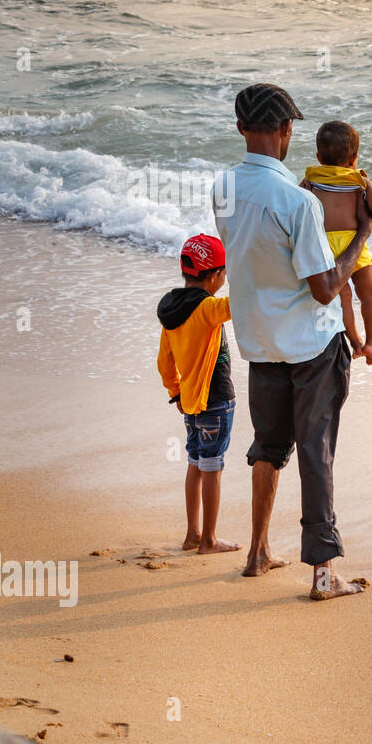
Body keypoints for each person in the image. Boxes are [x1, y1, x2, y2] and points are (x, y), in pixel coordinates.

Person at [213, 83, 370, 600]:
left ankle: (258, 552)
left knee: (269, 447)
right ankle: (323, 576)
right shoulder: (297, 201)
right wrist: (361, 239)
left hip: (258, 342)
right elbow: (324, 289)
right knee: (315, 455)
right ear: (286, 131)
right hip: (310, 346)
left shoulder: (223, 189)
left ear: (240, 129)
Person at [156, 233, 241, 556]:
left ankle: (192, 534)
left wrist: (176, 393)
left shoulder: (171, 313)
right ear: (214, 276)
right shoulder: (207, 308)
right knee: (213, 467)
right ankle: (209, 539)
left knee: (195, 463)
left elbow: (164, 361)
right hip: (216, 400)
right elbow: (237, 304)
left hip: (190, 401)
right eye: (225, 273)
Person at [301, 120, 372, 366]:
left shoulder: (311, 178)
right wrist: (366, 181)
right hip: (353, 245)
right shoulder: (357, 179)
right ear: (354, 158)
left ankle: (355, 343)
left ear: (318, 156)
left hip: (325, 246)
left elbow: (299, 204)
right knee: (369, 296)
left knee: (344, 297)